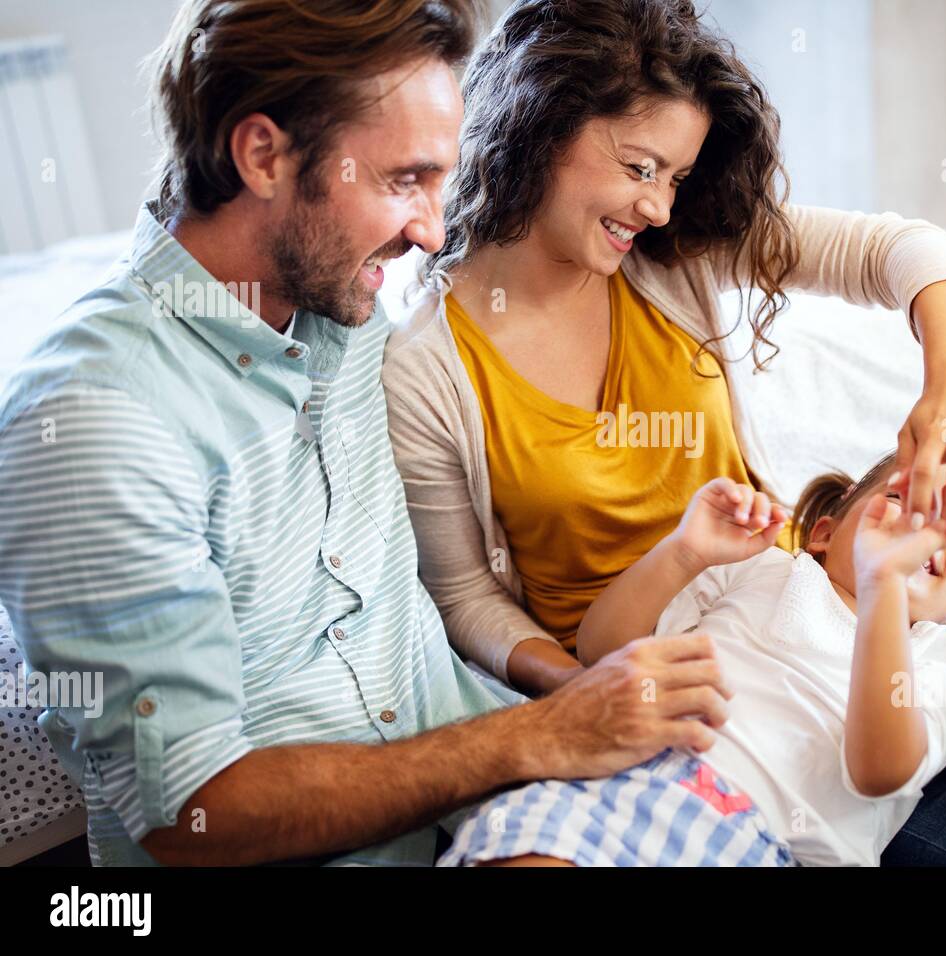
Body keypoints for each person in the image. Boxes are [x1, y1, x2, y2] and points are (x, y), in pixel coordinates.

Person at [383, 0, 946, 865]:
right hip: (650, 690)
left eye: (678, 179)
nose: (659, 208)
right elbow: (464, 600)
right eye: (641, 166)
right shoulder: (429, 364)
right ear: (542, 124)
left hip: (782, 606)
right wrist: (583, 694)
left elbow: (903, 252)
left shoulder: (666, 256)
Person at [0, 0, 735, 867]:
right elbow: (195, 814)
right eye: (402, 181)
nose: (430, 231)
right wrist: (538, 736)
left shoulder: (339, 301)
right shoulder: (93, 425)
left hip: (500, 807)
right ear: (262, 154)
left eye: (440, 181)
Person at [439, 453, 946, 866]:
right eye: (903, 500)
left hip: (767, 841)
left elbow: (879, 771)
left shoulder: (943, 655)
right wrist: (684, 551)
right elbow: (603, 652)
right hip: (628, 773)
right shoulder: (764, 569)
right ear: (824, 535)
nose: (925, 526)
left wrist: (883, 583)